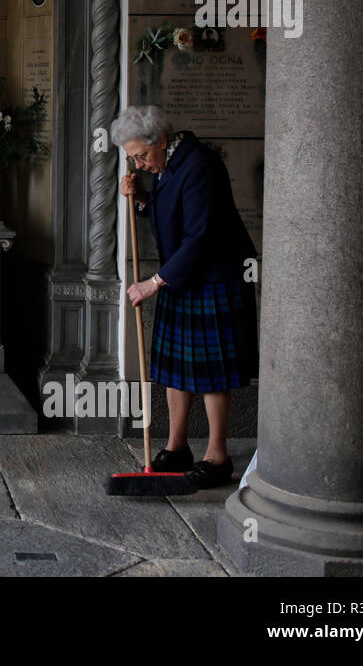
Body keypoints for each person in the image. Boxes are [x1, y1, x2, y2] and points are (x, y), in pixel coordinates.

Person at [112, 104, 258, 488]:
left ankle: (217, 455)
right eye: (131, 158)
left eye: (141, 156)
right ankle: (177, 448)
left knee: (211, 374)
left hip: (215, 276)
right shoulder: (167, 163)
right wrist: (142, 198)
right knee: (176, 369)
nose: (138, 164)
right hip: (184, 275)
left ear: (161, 140)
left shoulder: (199, 165)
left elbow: (202, 237)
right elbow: (171, 211)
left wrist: (154, 282)